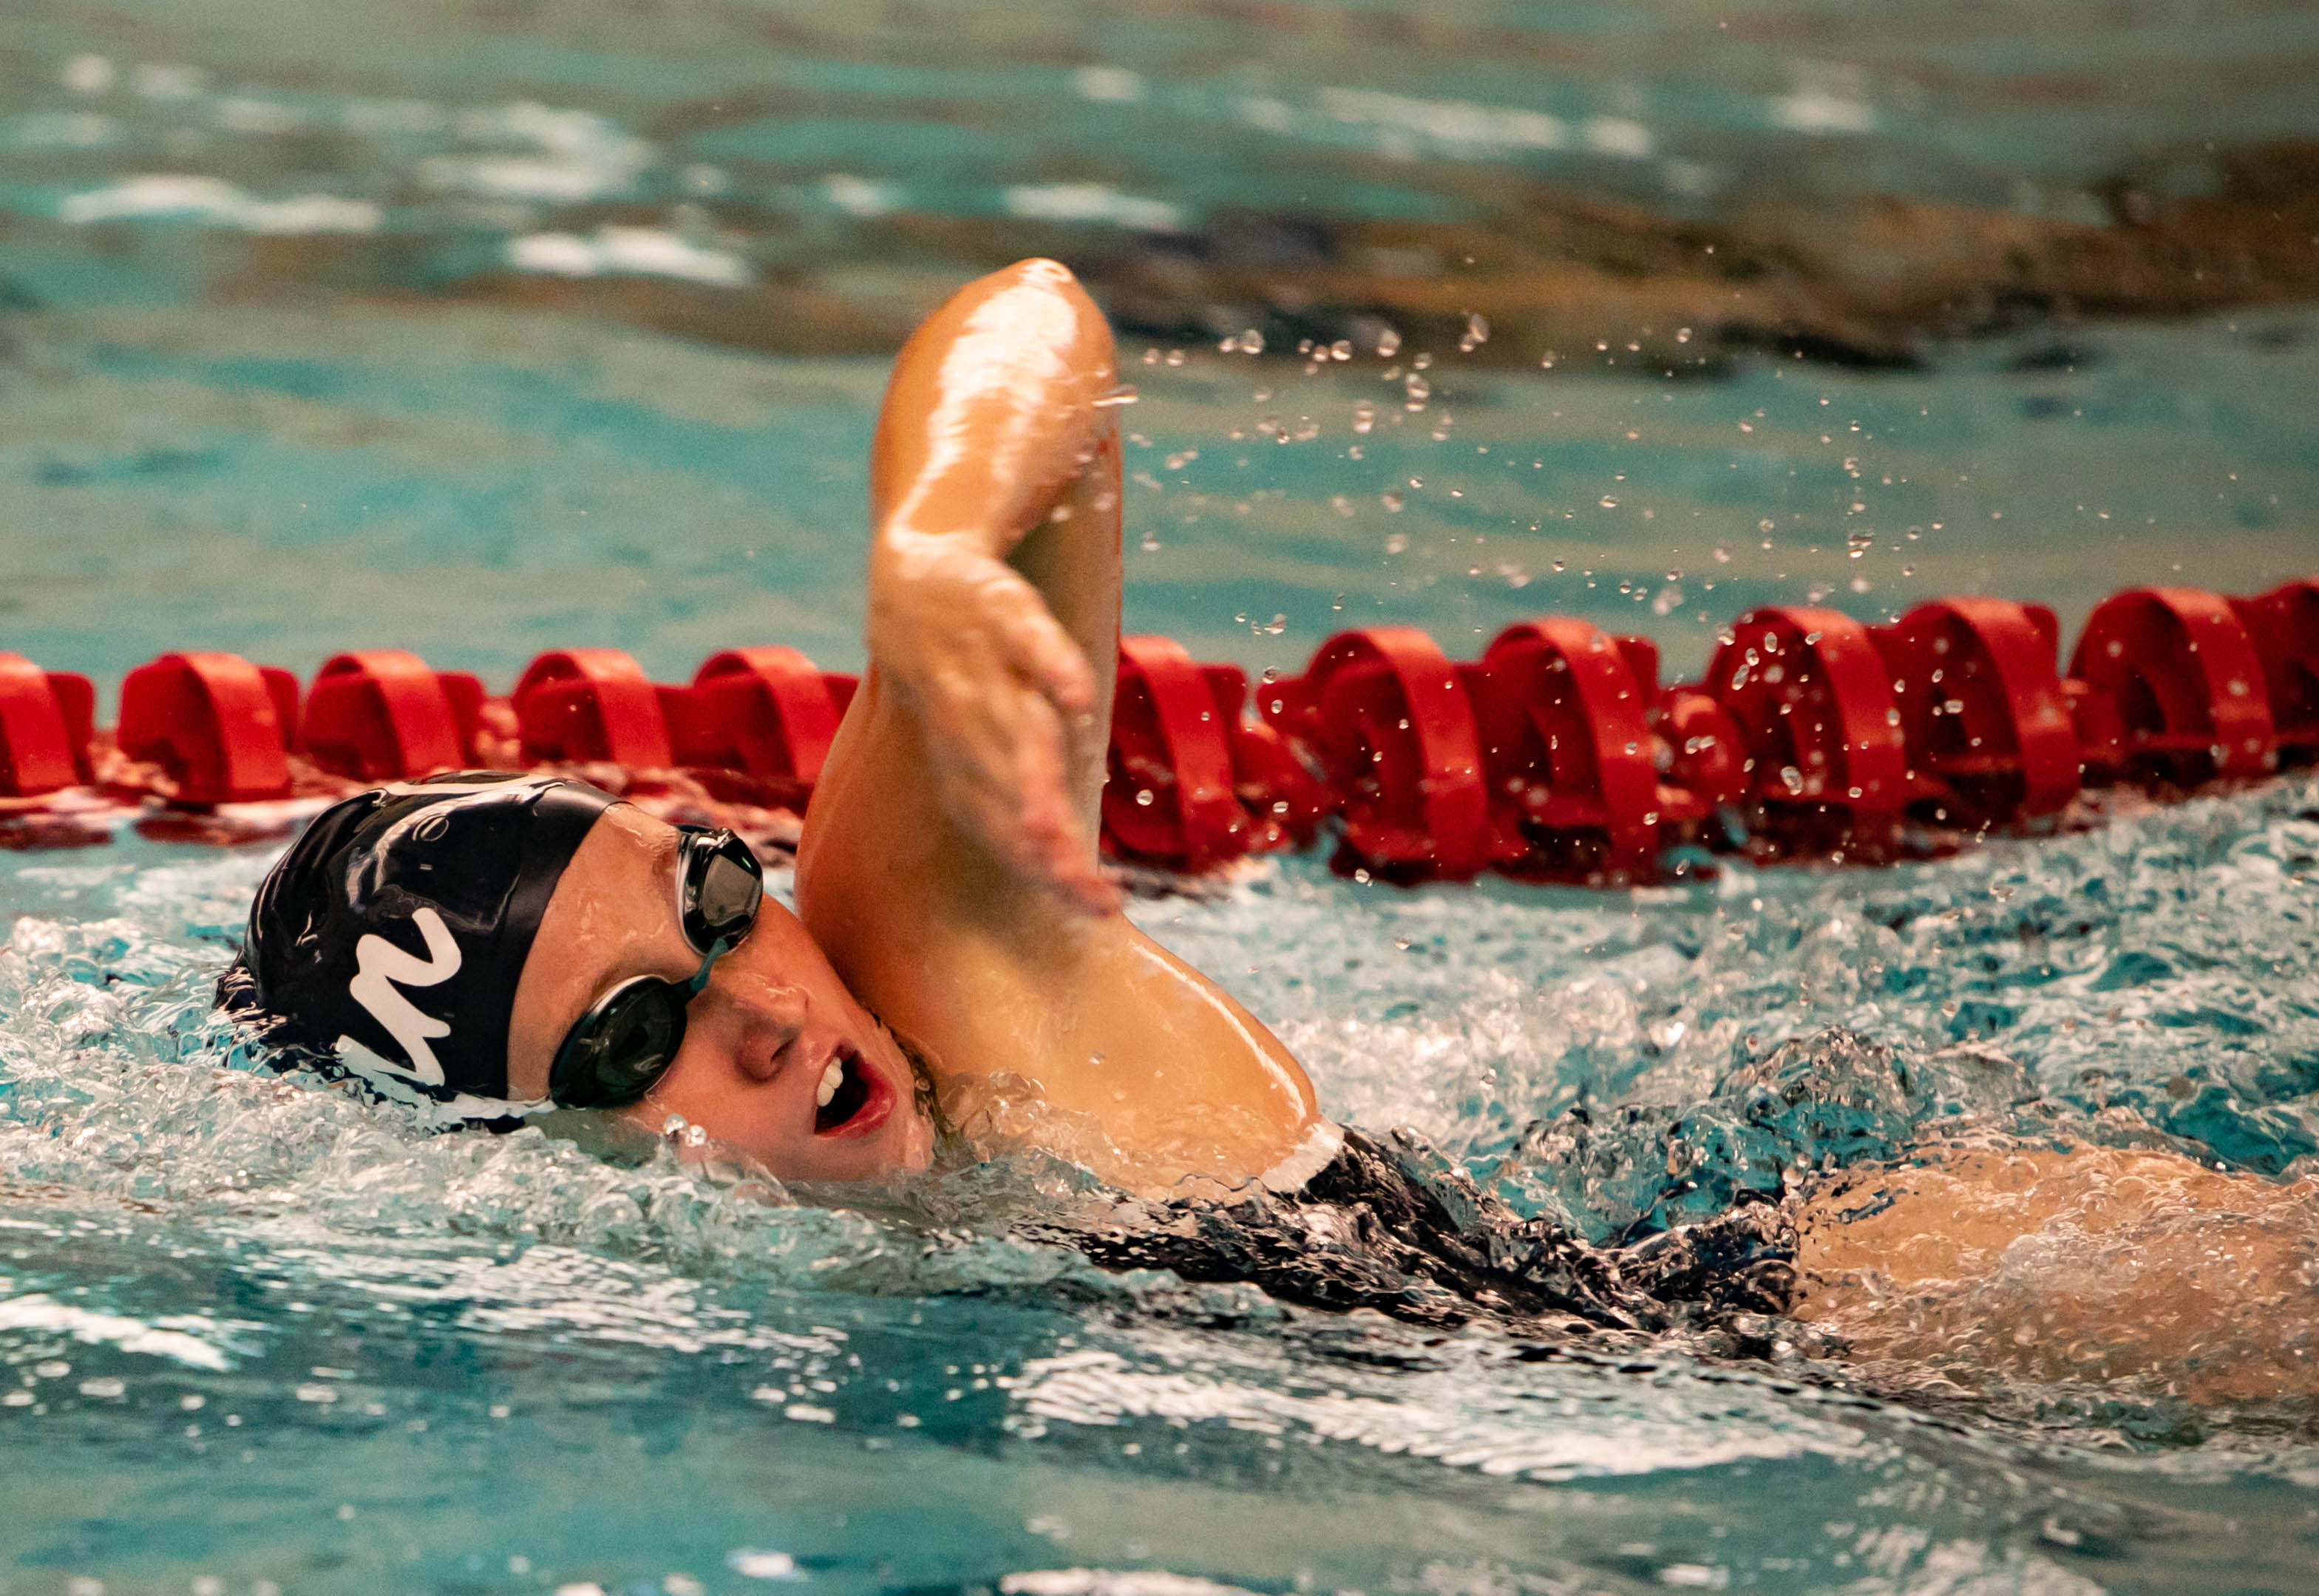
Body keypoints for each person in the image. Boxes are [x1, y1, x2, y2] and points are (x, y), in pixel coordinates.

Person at [222, 259, 1330, 1198]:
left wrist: (936, 536)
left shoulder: (963, 989)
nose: (773, 1014)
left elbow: (1035, 316)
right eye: (634, 1041)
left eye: (718, 902)